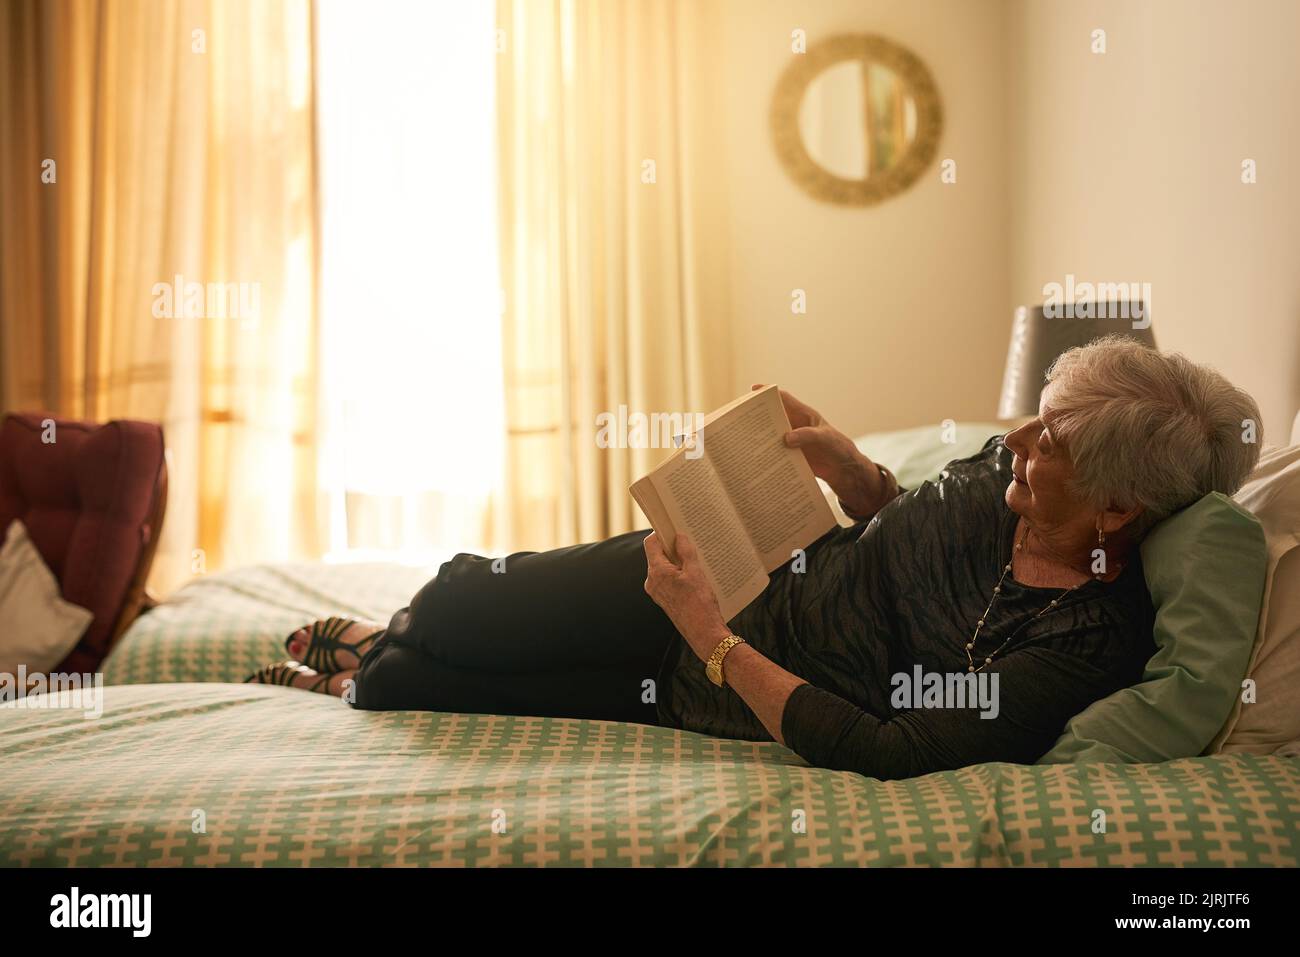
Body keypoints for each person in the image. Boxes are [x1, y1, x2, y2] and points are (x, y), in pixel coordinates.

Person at [248, 337, 1262, 779]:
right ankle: (391, 628)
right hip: (746, 570)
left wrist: (710, 641)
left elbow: (892, 749)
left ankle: (368, 661)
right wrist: (858, 479)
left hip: (726, 673)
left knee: (407, 690)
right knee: (465, 601)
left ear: (1119, 508)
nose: (1018, 443)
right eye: (1036, 420)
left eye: (1052, 446)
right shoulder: (1008, 474)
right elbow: (920, 530)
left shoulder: (1080, 640)